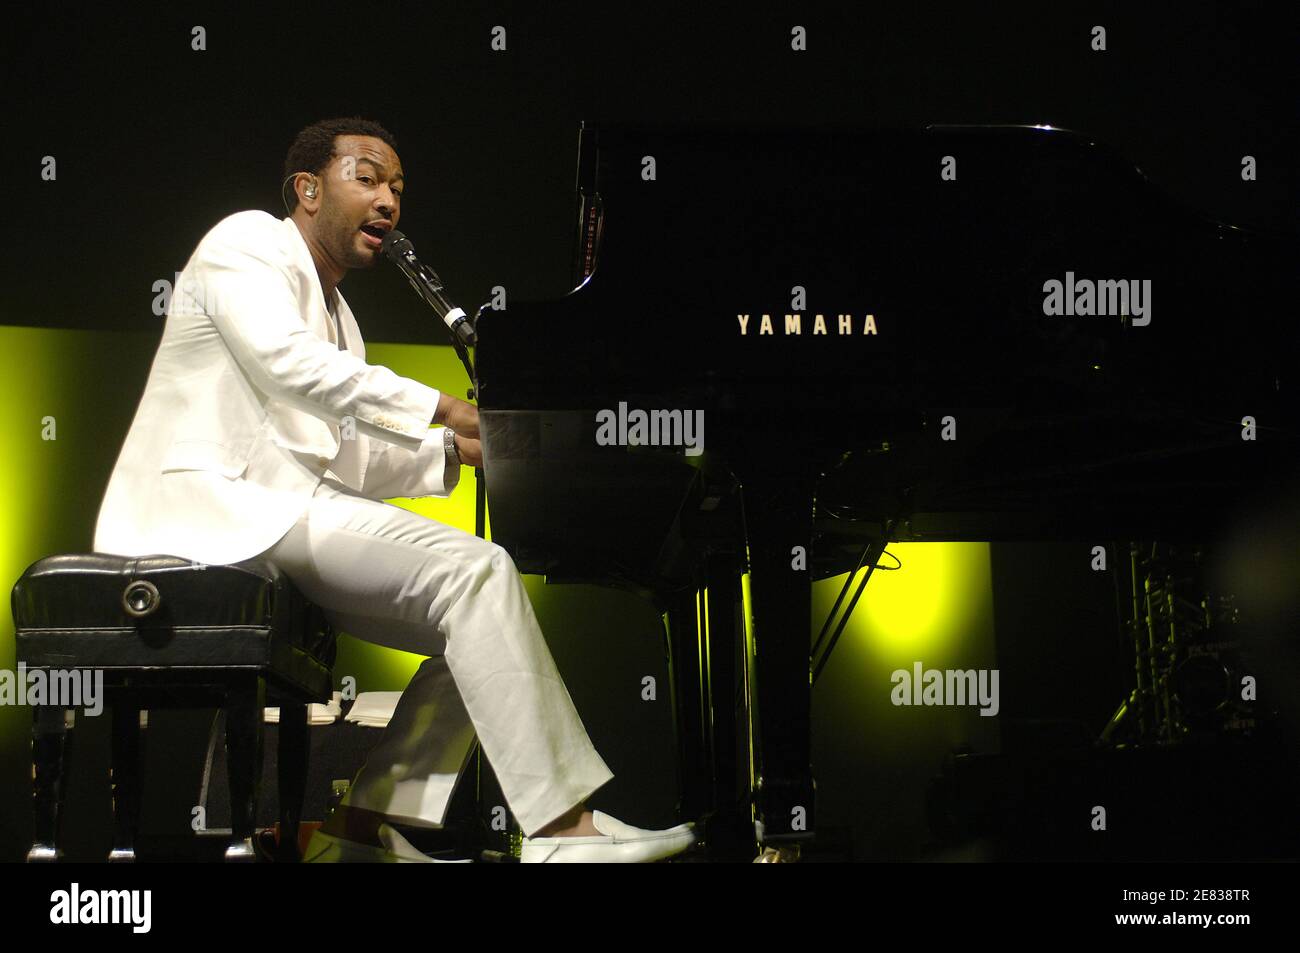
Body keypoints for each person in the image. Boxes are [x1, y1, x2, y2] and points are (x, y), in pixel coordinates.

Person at [92, 116, 694, 863]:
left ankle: (358, 828)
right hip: (212, 510)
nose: (388, 201)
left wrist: (452, 450)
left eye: (398, 188)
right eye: (368, 177)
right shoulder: (245, 241)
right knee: (477, 572)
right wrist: (442, 406)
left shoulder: (340, 316)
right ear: (307, 189)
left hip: (281, 513)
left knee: (480, 618)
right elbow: (290, 367)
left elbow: (339, 454)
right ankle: (559, 832)